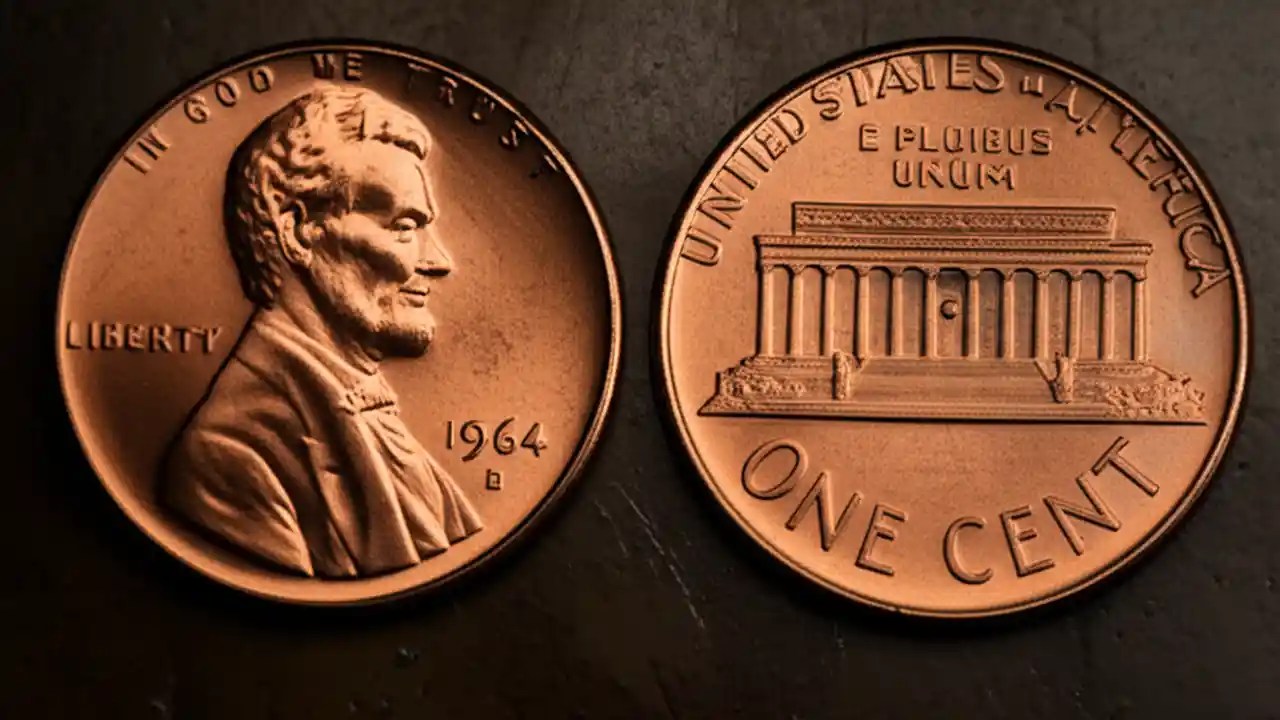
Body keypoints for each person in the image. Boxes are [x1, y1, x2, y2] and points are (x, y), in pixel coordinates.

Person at [163, 86, 483, 578]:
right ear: (295, 230)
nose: (438, 261)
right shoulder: (229, 455)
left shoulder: (372, 410)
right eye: (404, 227)